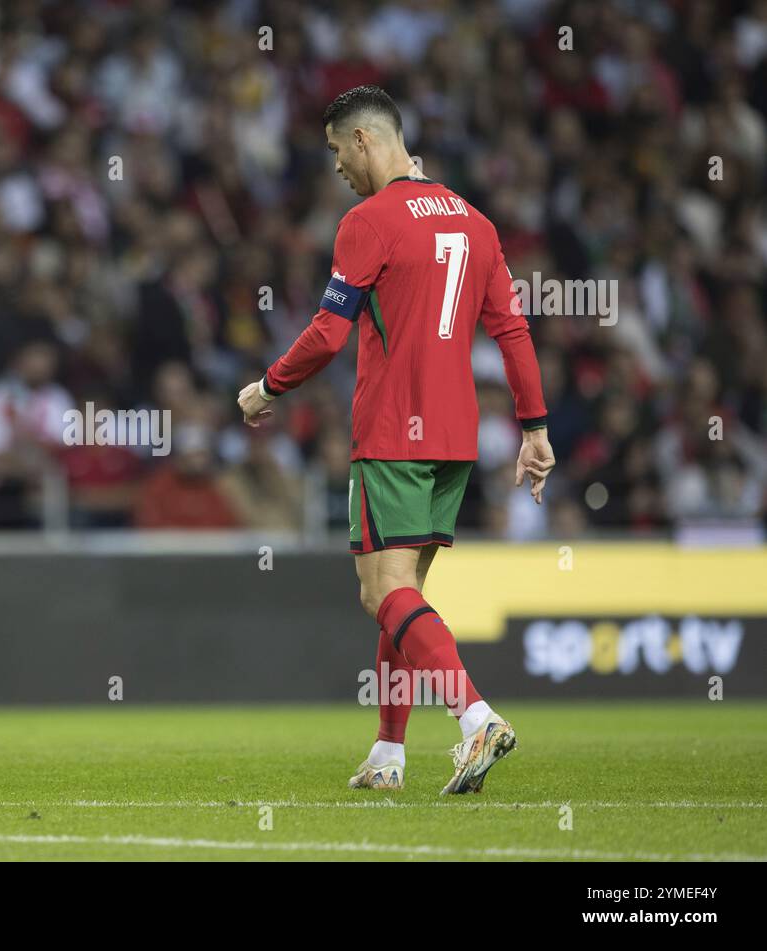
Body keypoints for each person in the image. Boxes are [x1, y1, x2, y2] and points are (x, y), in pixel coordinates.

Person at [237, 86, 556, 795]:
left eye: (334, 153)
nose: (337, 171)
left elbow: (327, 331)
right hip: (457, 438)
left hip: (391, 431)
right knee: (401, 592)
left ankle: (475, 716)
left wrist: (268, 387)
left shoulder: (368, 221)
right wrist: (533, 427)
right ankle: (388, 752)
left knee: (381, 591)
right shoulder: (477, 223)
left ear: (363, 141)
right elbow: (512, 330)